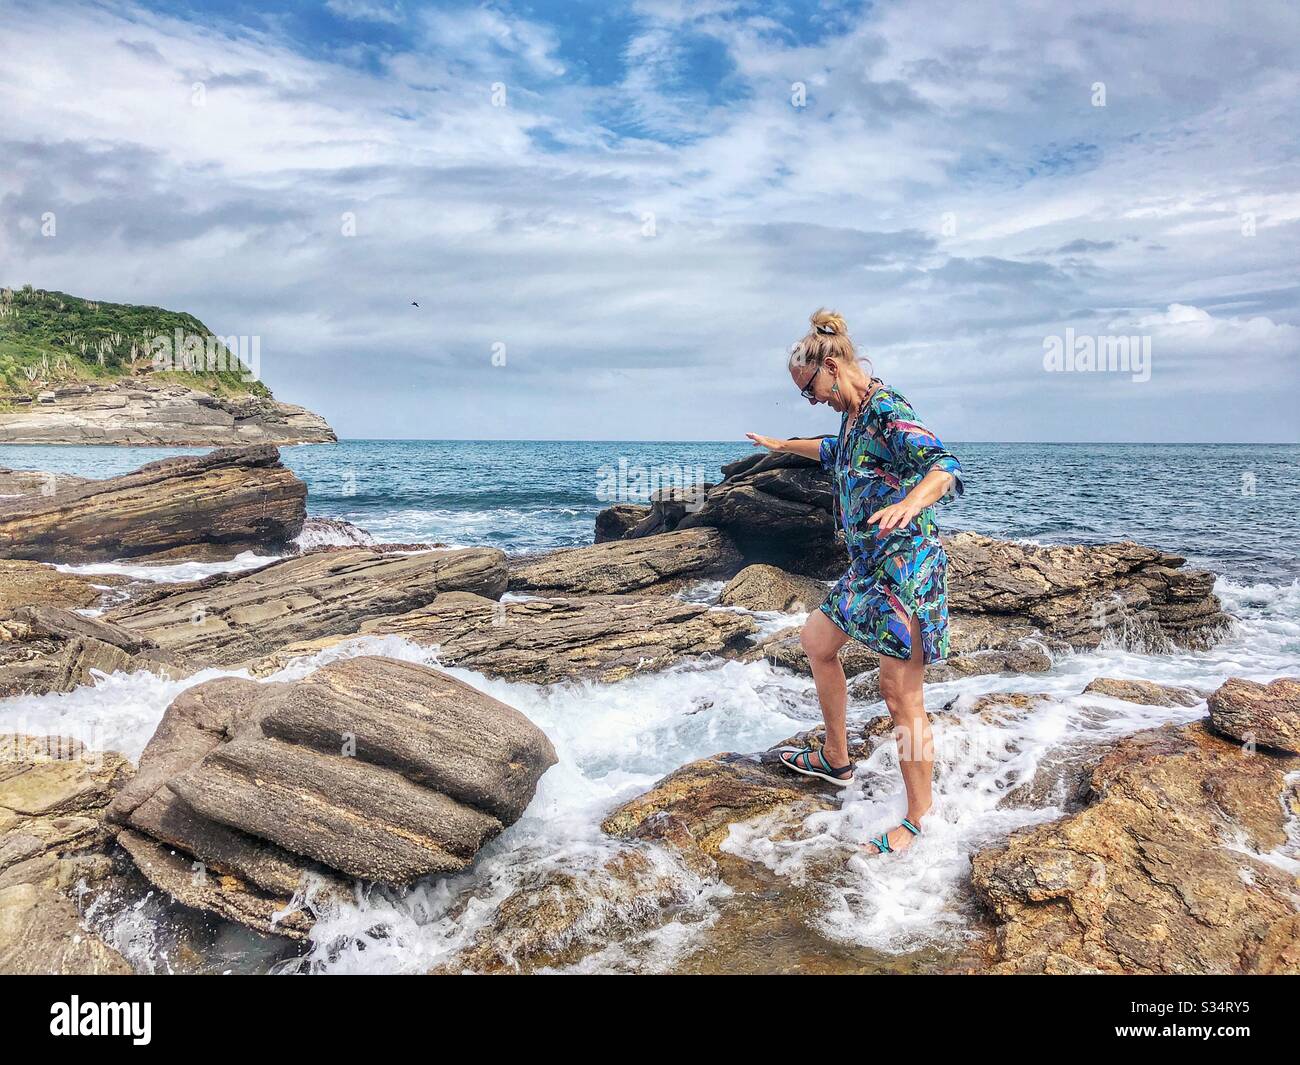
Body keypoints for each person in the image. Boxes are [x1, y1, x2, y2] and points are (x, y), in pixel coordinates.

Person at [746, 309, 963, 856]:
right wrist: (781, 443)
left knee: (900, 695)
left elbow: (944, 464)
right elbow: (832, 451)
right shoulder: (852, 417)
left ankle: (919, 818)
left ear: (834, 364)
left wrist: (910, 504)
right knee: (816, 641)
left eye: (810, 388)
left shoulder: (887, 409)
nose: (811, 398)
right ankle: (836, 758)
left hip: (906, 567)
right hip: (867, 569)